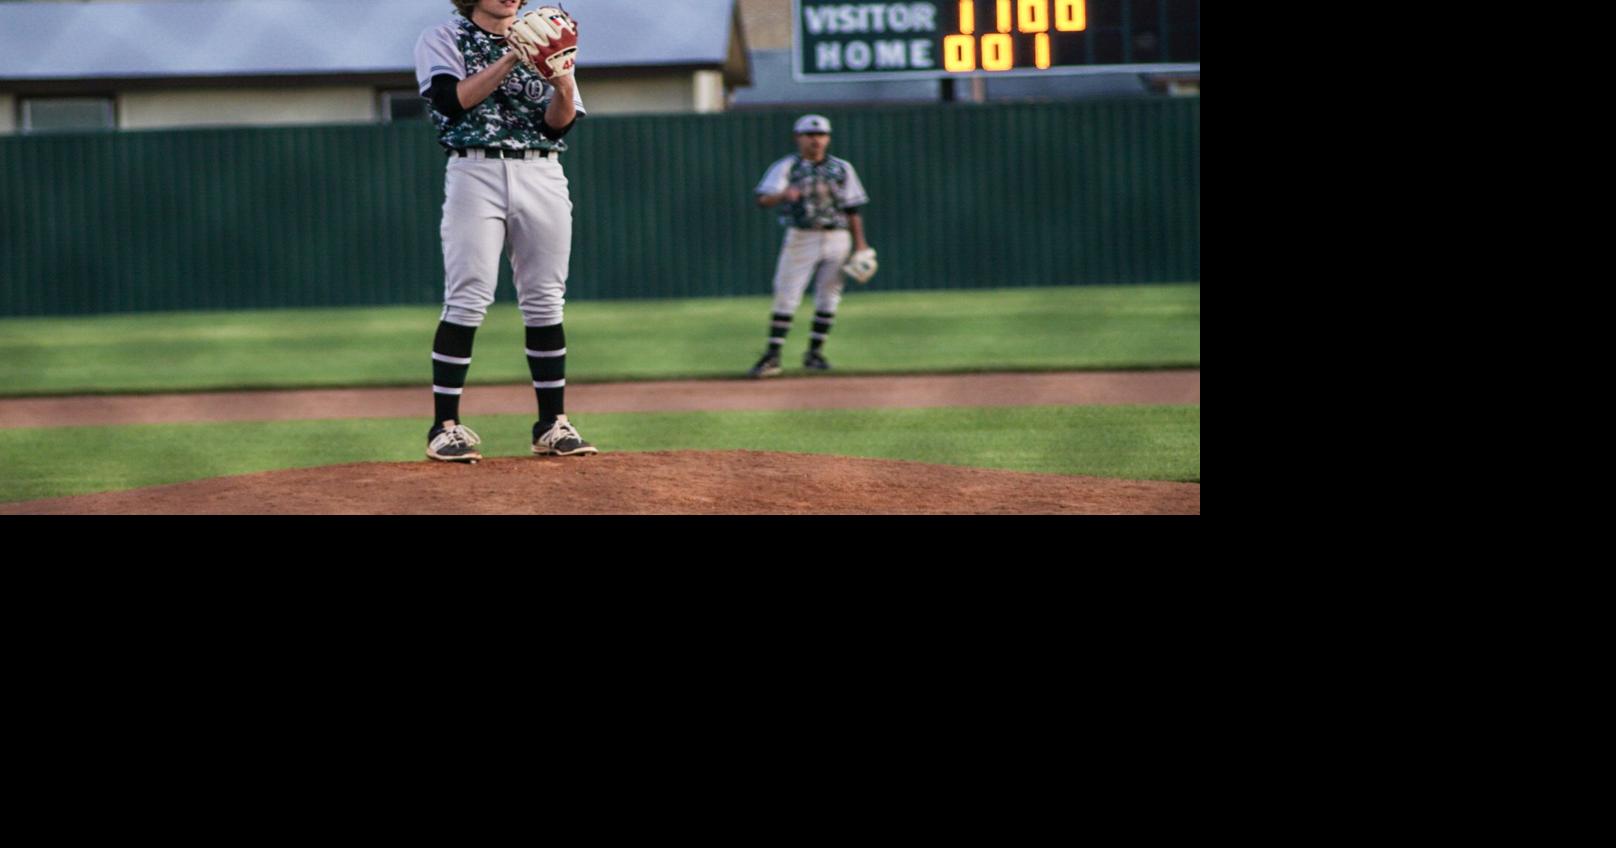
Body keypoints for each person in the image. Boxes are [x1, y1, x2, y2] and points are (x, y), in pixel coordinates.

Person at [414, 0, 596, 462]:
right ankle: (445, 426)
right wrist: (515, 54)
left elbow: (558, 125)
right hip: (475, 170)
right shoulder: (444, 37)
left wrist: (561, 78)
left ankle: (552, 424)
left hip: (543, 171)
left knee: (545, 299)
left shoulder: (550, 33)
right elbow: (452, 101)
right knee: (468, 295)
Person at [748, 114, 872, 378]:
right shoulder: (787, 167)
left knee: (829, 295)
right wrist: (783, 195)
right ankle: (773, 356)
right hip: (802, 236)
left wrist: (860, 245)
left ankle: (814, 354)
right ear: (798, 138)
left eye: (821, 135)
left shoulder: (841, 168)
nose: (816, 140)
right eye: (809, 135)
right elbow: (762, 199)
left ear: (827, 138)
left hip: (838, 237)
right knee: (786, 293)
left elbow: (853, 208)